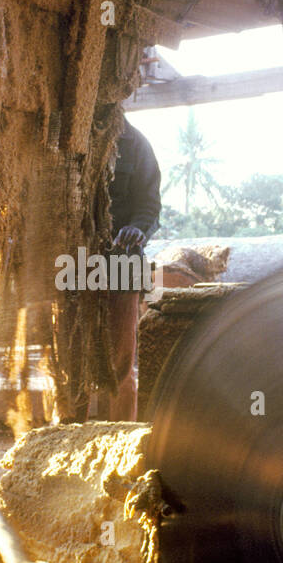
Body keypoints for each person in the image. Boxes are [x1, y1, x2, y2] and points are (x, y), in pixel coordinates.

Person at [99, 119, 161, 420]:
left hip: (124, 260)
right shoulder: (71, 138)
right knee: (71, 357)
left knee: (121, 361)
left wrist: (137, 230)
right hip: (75, 260)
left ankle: (121, 436)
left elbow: (149, 207)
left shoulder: (136, 144)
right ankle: (69, 437)